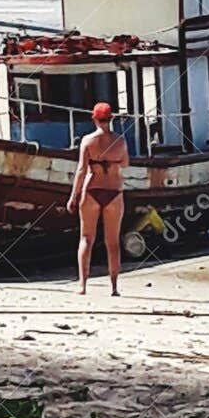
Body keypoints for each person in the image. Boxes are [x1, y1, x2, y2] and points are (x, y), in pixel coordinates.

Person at [68, 99, 129, 295]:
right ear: (110, 119)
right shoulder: (120, 141)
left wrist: (73, 195)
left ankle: (83, 285)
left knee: (86, 238)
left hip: (92, 190)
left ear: (94, 119)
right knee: (112, 241)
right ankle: (114, 287)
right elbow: (125, 163)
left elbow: (81, 170)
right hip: (114, 191)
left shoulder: (88, 141)